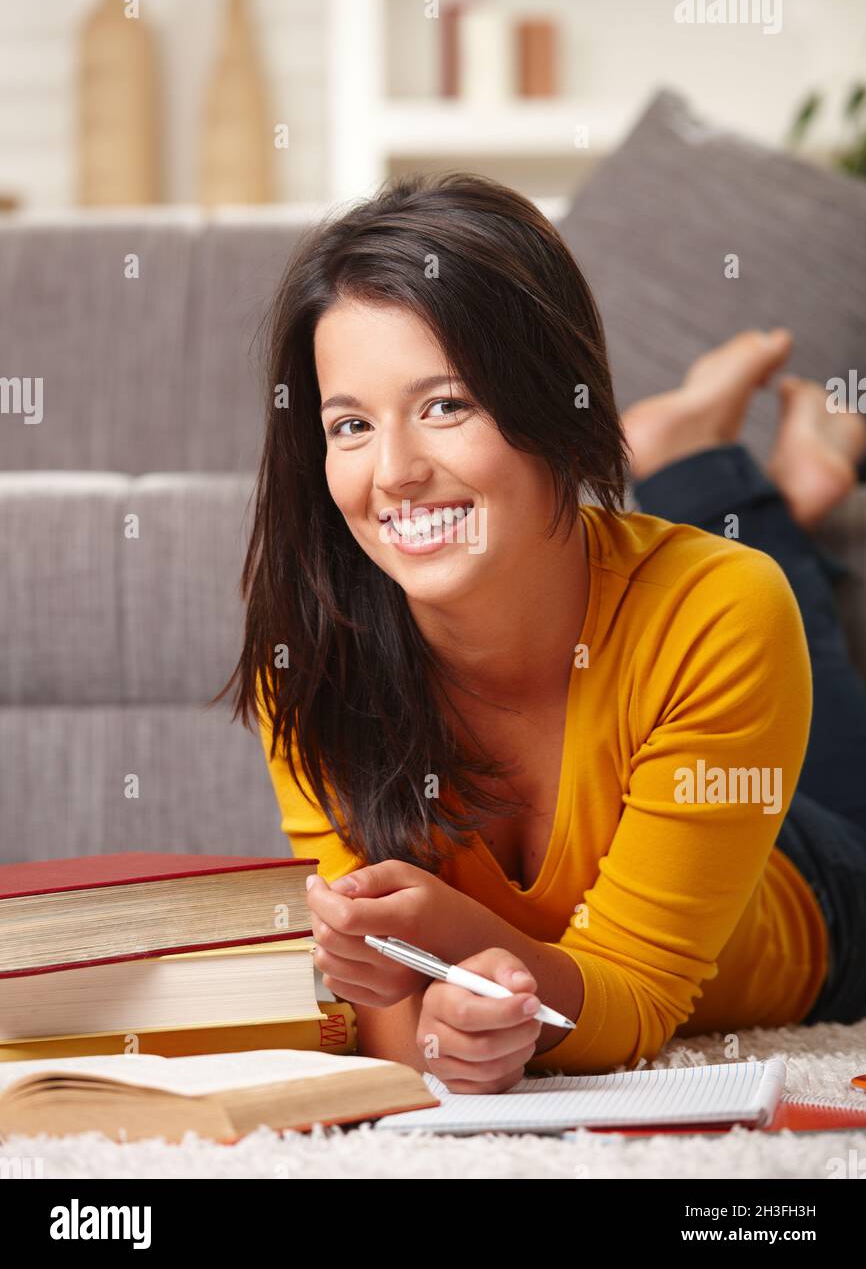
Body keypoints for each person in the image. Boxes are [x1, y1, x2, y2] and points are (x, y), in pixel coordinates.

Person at [215, 171, 866, 1093]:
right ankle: (763, 470)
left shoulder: (721, 610)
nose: (394, 471)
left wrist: (452, 939)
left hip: (819, 886)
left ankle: (743, 467)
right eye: (350, 424)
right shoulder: (313, 654)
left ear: (554, 407)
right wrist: (443, 1035)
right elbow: (386, 1016)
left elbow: (637, 997)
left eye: (446, 405)